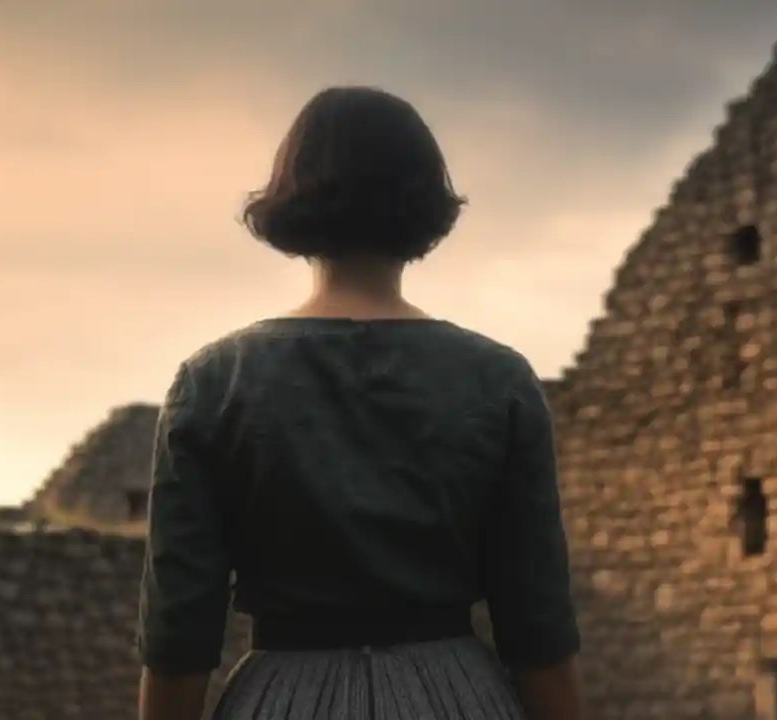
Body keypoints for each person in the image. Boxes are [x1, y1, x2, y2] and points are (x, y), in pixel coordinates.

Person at [136, 86, 586, 720]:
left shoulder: (213, 382)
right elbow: (536, 620)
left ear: (291, 196)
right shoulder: (499, 380)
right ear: (426, 202)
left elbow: (179, 628)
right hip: (457, 697)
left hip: (282, 697)